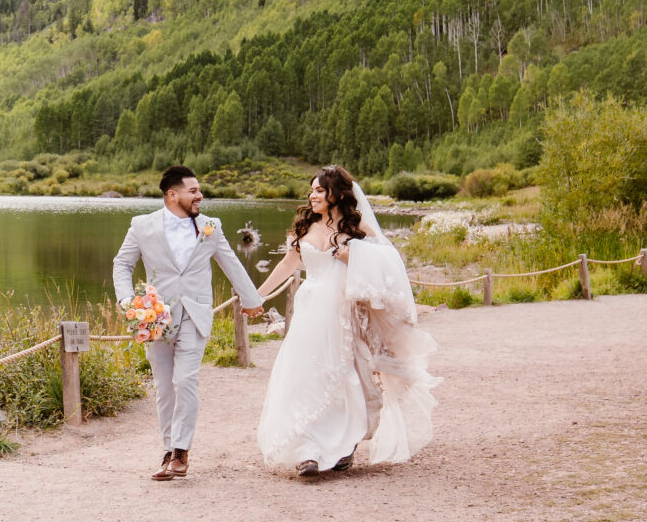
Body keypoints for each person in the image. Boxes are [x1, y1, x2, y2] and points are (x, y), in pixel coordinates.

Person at [256, 165, 436, 476]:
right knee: (304, 374)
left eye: (319, 190)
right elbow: (288, 264)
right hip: (311, 310)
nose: (312, 196)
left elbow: (389, 263)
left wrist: (353, 256)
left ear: (337, 194)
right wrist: (257, 296)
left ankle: (342, 446)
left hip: (345, 311)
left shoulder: (359, 228)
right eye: (311, 190)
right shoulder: (306, 227)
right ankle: (306, 451)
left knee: (346, 376)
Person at [113, 165, 263, 480]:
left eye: (198, 190)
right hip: (154, 316)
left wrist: (251, 301)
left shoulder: (211, 226)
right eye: (193, 191)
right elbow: (123, 263)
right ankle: (168, 449)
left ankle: (181, 452)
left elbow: (230, 262)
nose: (200, 195)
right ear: (172, 194)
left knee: (186, 381)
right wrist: (127, 302)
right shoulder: (142, 225)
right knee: (164, 387)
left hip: (195, 314)